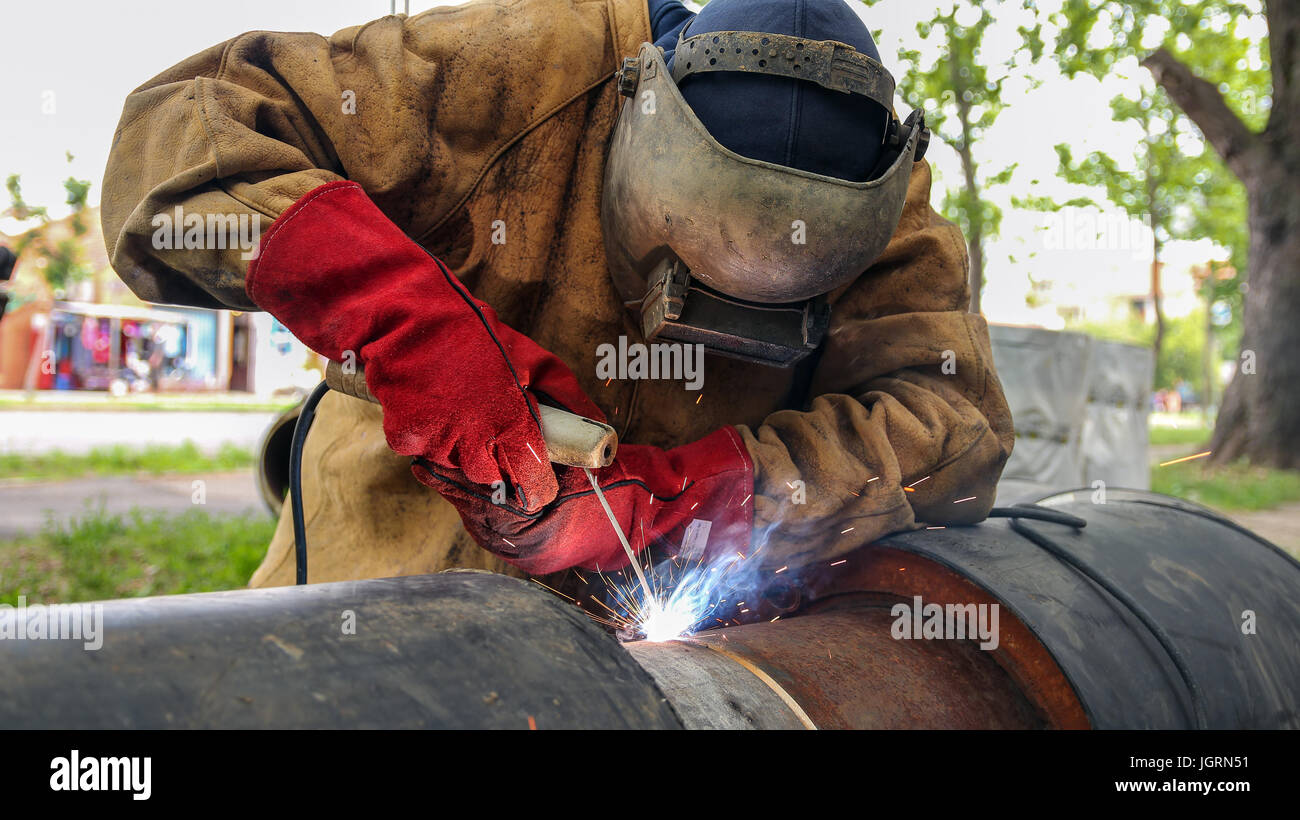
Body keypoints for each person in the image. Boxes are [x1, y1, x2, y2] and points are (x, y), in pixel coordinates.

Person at [100, 0, 1013, 592]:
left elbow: (953, 431)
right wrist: (406, 321)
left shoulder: (885, 206)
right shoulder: (524, 65)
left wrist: (683, 497)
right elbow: (177, 130)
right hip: (377, 592)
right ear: (637, 110)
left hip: (667, 656)